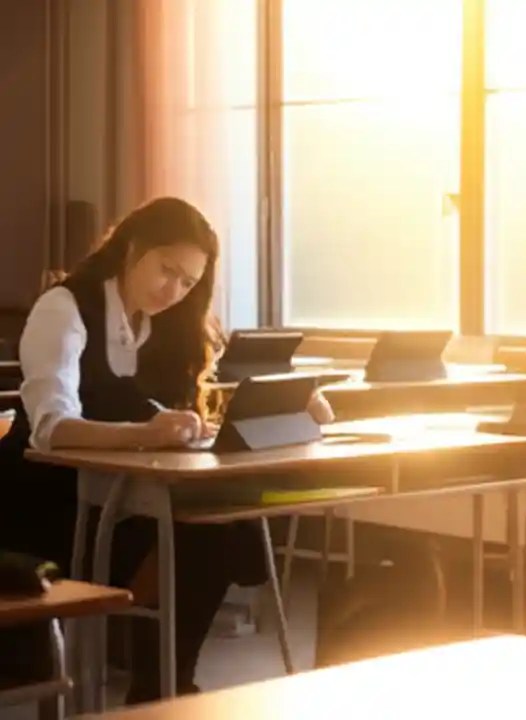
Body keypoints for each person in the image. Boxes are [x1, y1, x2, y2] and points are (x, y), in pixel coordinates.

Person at [0, 197, 332, 702]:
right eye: (166, 270)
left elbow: (179, 410)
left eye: (188, 282)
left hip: (124, 492)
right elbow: (51, 429)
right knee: (195, 537)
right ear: (132, 247)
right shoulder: (65, 307)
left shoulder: (165, 324)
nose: (172, 290)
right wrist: (146, 434)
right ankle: (160, 687)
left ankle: (162, 685)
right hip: (45, 499)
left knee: (217, 526)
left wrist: (287, 408)